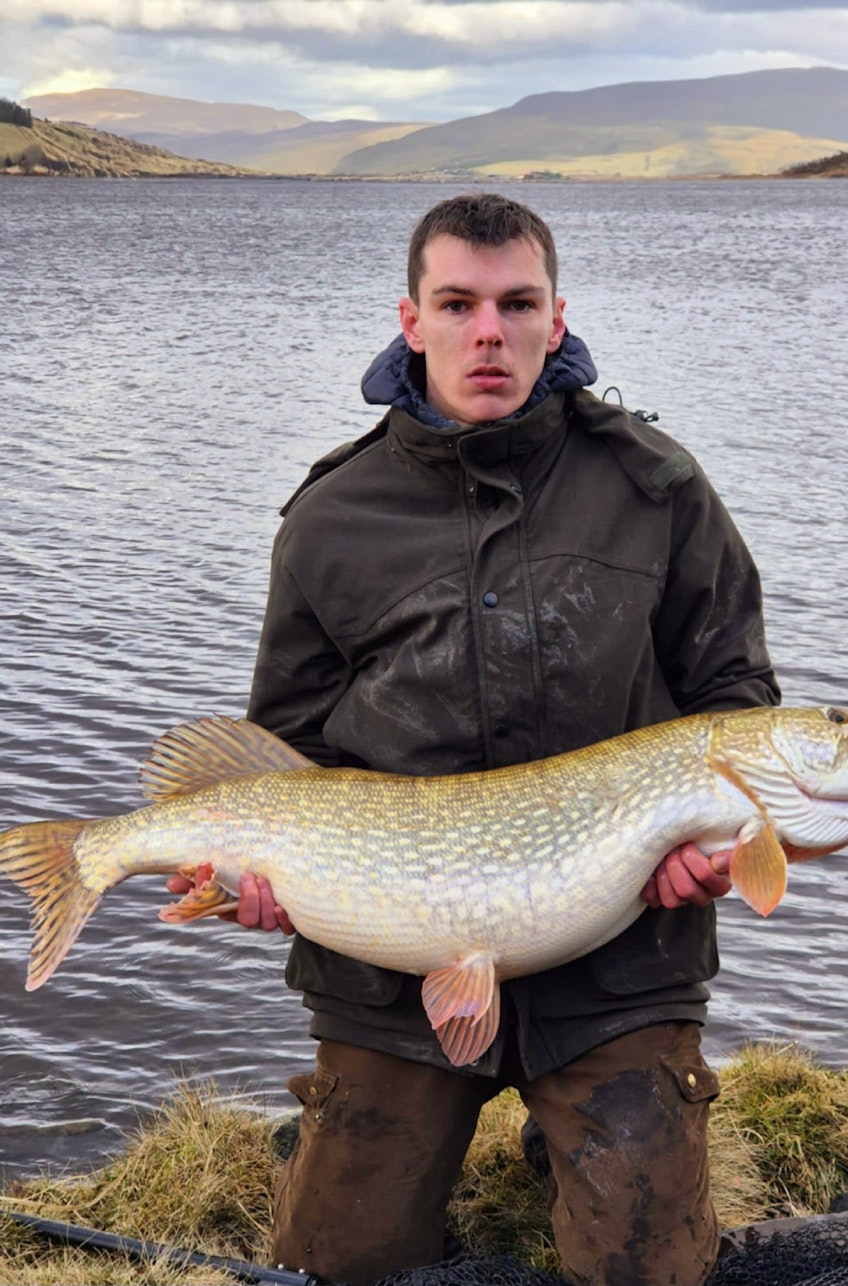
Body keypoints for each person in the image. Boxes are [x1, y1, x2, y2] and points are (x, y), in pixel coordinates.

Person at [175, 193, 779, 1286]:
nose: (487, 331)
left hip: (620, 963)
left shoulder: (657, 487)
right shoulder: (330, 515)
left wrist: (705, 841)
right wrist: (259, 880)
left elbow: (734, 695)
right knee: (337, 1266)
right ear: (410, 319)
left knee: (644, 1268)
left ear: (558, 317)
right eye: (457, 303)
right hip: (389, 972)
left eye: (515, 303)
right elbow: (287, 749)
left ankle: (571, 1137)